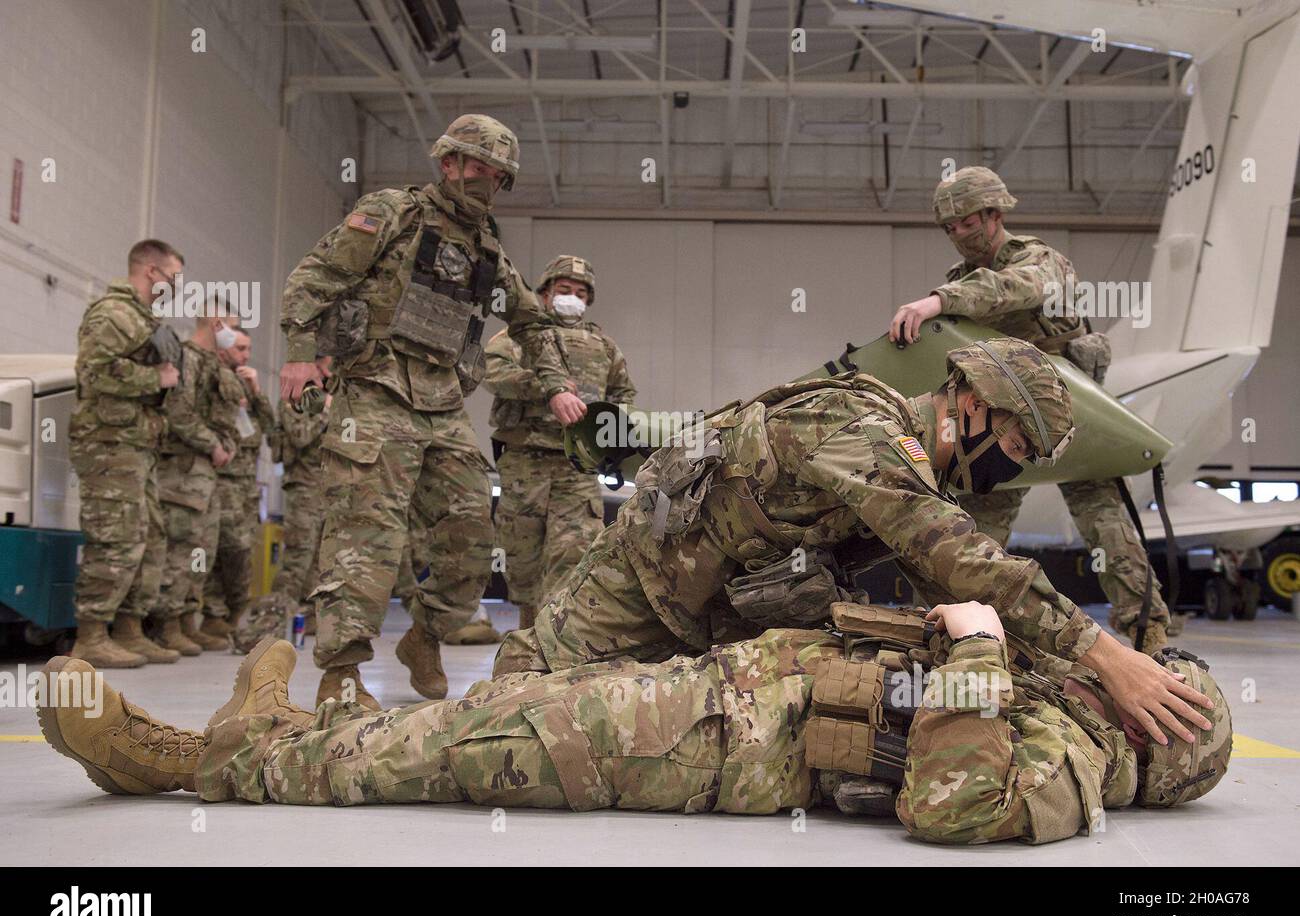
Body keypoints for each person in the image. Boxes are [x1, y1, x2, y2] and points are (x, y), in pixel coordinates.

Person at [34, 598, 1231, 846]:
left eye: (1161, 681)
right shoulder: (1052, 688)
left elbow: (956, 803)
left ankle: (188, 761)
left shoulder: (1074, 762)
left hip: (705, 745)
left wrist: (972, 649)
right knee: (482, 715)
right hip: (714, 693)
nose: (1136, 672)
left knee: (435, 753)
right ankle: (271, 723)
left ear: (1165, 734)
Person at [493, 338, 1214, 747]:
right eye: (1017, 444)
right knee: (512, 705)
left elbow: (955, 589)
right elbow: (958, 556)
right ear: (971, 404)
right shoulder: (862, 431)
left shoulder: (913, 471)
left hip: (707, 618)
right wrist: (1107, 654)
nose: (1014, 467)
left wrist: (1054, 675)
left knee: (606, 734)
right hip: (634, 591)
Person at [275, 113, 578, 709]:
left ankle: (427, 635)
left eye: (499, 176)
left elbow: (532, 322)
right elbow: (315, 277)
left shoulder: (488, 249)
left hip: (443, 404)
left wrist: (556, 383)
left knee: (471, 536)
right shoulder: (394, 213)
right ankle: (341, 674)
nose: (487, 183)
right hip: (374, 392)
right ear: (448, 163)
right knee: (366, 536)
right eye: (479, 169)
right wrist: (299, 355)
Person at [887, 165, 1174, 653]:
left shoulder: (1040, 261)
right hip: (1001, 425)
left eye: (968, 222)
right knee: (974, 534)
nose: (958, 234)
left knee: (1104, 523)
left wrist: (939, 301)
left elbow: (1019, 288)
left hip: (1067, 414)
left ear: (995, 214)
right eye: (950, 227)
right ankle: (951, 631)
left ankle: (1152, 639)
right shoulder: (963, 281)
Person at [485, 254, 636, 630]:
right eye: (564, 290)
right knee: (522, 558)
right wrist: (546, 390)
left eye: (580, 292)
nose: (572, 298)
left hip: (577, 467)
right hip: (524, 462)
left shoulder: (604, 346)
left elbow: (624, 394)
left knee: (575, 553)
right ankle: (526, 629)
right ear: (545, 294)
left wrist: (609, 430)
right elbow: (491, 373)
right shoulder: (516, 338)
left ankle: (555, 640)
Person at [66, 239, 183, 668]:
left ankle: (129, 628)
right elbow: (93, 372)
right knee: (115, 536)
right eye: (174, 276)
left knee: (148, 536)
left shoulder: (143, 319)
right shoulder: (113, 314)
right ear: (152, 271)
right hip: (109, 444)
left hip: (137, 444)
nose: (176, 284)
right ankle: (91, 635)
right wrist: (156, 377)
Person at [151, 301, 244, 656]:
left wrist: (227, 445)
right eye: (232, 327)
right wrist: (213, 444)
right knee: (180, 547)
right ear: (217, 323)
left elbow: (226, 417)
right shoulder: (187, 358)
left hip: (207, 474)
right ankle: (166, 624)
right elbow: (178, 411)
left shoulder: (215, 364)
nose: (234, 334)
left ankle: (188, 619)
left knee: (201, 551)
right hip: (183, 470)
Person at [201, 329, 274, 648]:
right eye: (240, 347)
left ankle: (232, 613)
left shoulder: (247, 385)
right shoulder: (212, 380)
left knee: (241, 550)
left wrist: (256, 392)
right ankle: (213, 615)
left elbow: (272, 427)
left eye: (248, 349)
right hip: (220, 477)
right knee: (217, 548)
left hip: (246, 483)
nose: (244, 354)